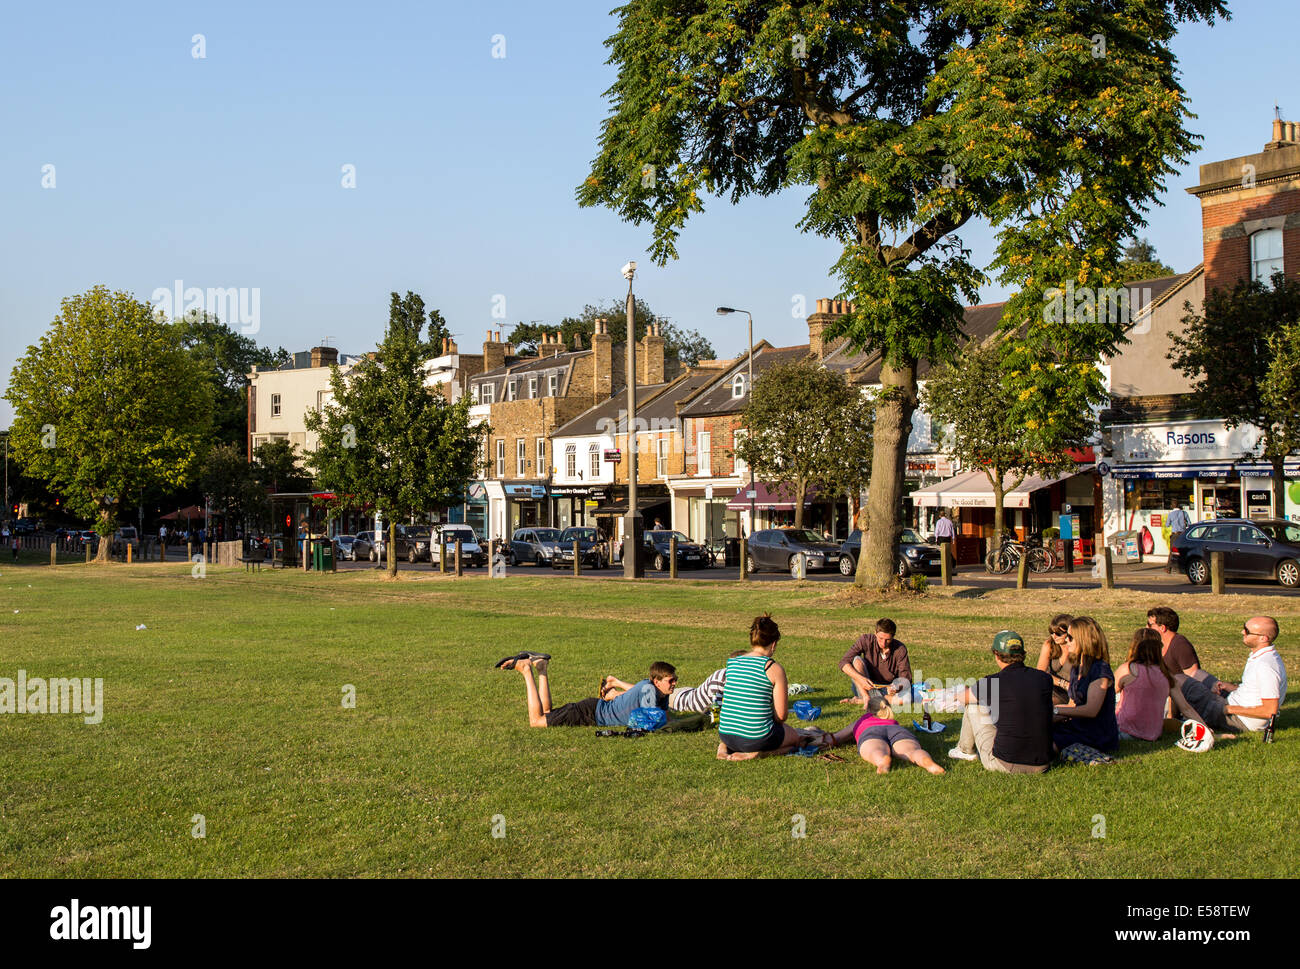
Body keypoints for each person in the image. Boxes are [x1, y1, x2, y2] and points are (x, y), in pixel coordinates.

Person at [948, 630, 1054, 773]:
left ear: (997, 655)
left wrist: (962, 692)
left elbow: (964, 698)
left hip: (1006, 763)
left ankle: (965, 750)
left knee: (973, 705)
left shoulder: (992, 682)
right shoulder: (1044, 679)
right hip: (1043, 763)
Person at [717, 614, 814, 760]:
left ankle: (723, 750)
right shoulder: (772, 668)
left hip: (726, 733)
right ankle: (759, 754)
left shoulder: (732, 663)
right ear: (774, 644)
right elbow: (781, 716)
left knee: (739, 731)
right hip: (757, 737)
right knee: (794, 737)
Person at [497, 652, 676, 728]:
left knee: (546, 713)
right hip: (590, 713)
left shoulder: (658, 691)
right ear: (657, 681)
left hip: (593, 708)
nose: (674, 683)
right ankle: (526, 670)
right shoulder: (649, 690)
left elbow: (665, 717)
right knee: (536, 721)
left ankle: (542, 668)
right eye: (671, 680)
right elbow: (652, 722)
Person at [1171, 616, 1286, 735]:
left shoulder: (1266, 666)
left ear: (1263, 638)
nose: (1243, 632)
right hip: (1236, 703)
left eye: (1247, 631)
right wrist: (1227, 686)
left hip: (1240, 719)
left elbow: (1269, 710)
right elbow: (1255, 690)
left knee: (1179, 679)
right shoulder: (1262, 656)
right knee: (1199, 674)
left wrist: (1229, 709)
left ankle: (1175, 720)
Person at [824, 690, 945, 774]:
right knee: (912, 751)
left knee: (875, 750)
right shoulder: (894, 722)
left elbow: (838, 737)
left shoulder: (863, 720)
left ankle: (882, 761)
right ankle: (925, 761)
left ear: (868, 710)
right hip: (898, 731)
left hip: (871, 733)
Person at [1052, 616, 1119, 753]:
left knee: (1046, 745)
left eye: (1070, 637)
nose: (1066, 640)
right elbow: (1072, 705)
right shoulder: (1077, 667)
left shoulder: (1100, 670)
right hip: (1077, 726)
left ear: (1083, 640)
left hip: (1096, 734)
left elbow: (1091, 710)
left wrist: (1055, 710)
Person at [1114, 627, 1174, 741]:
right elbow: (1186, 707)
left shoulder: (1128, 669)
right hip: (1152, 733)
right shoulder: (1166, 674)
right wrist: (1205, 727)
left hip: (1124, 730)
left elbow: (1104, 695)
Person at [838, 618, 913, 704]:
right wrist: (861, 679)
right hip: (864, 687)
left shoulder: (900, 649)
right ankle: (866, 697)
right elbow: (843, 663)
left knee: (905, 699)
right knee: (856, 660)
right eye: (880, 638)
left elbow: (906, 679)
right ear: (875, 633)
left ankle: (864, 700)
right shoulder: (865, 640)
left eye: (887, 640)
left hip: (887, 689)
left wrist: (896, 687)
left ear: (893, 637)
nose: (883, 643)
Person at [1146, 606, 1204, 682]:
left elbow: (1194, 678)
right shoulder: (1156, 645)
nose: (1147, 627)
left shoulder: (1180, 645)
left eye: (1150, 625)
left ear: (1162, 628)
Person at [1036, 613, 1075, 706]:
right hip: (1050, 688)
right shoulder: (1049, 645)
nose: (1054, 636)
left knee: (1043, 704)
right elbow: (1040, 674)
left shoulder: (1076, 649)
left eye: (1059, 633)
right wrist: (1063, 683)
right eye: (1051, 632)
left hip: (1069, 694)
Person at [1164, 504, 1189, 573]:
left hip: (1175, 535)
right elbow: (1189, 523)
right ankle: (1183, 568)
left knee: (1172, 551)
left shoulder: (1171, 514)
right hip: (1183, 534)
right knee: (1184, 551)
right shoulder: (1184, 513)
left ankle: (1168, 568)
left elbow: (1167, 524)